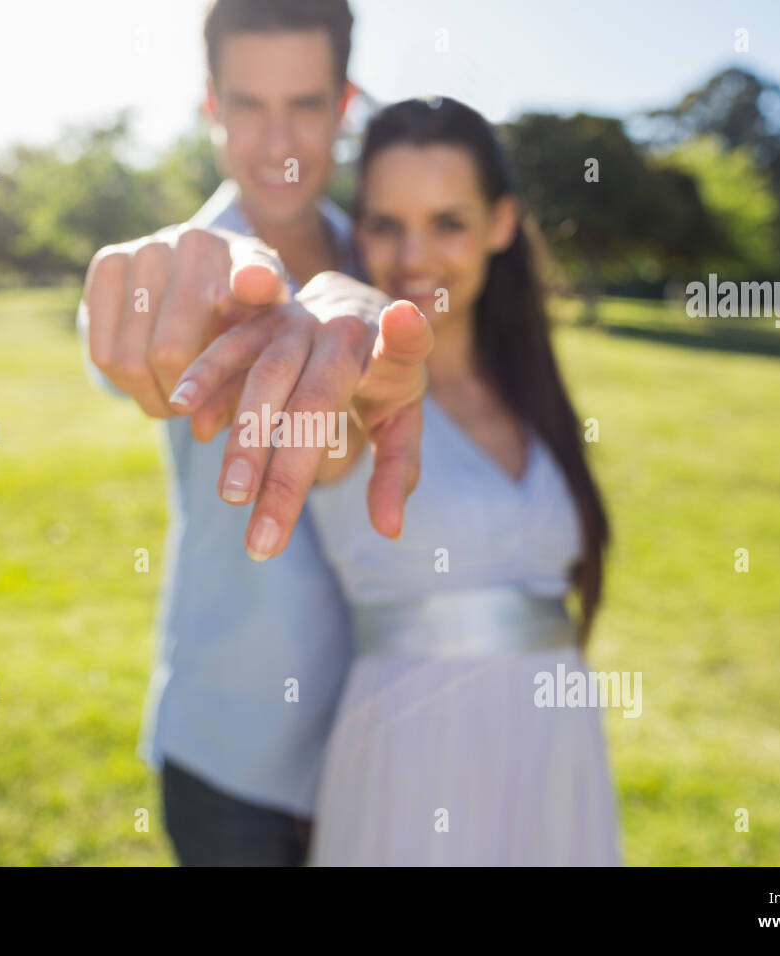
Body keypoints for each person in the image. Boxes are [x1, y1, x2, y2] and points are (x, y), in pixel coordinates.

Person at [179, 96, 623, 865]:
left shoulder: (529, 390)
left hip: (558, 754)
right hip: (414, 765)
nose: (414, 256)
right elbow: (334, 421)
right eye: (385, 224)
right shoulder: (354, 396)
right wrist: (338, 312)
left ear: (501, 224)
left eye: (448, 221)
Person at [78, 0, 430, 865]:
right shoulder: (187, 267)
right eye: (249, 106)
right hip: (230, 749)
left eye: (305, 105)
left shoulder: (388, 257)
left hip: (382, 737)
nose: (278, 142)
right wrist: (156, 293)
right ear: (212, 107)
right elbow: (129, 335)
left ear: (344, 105)